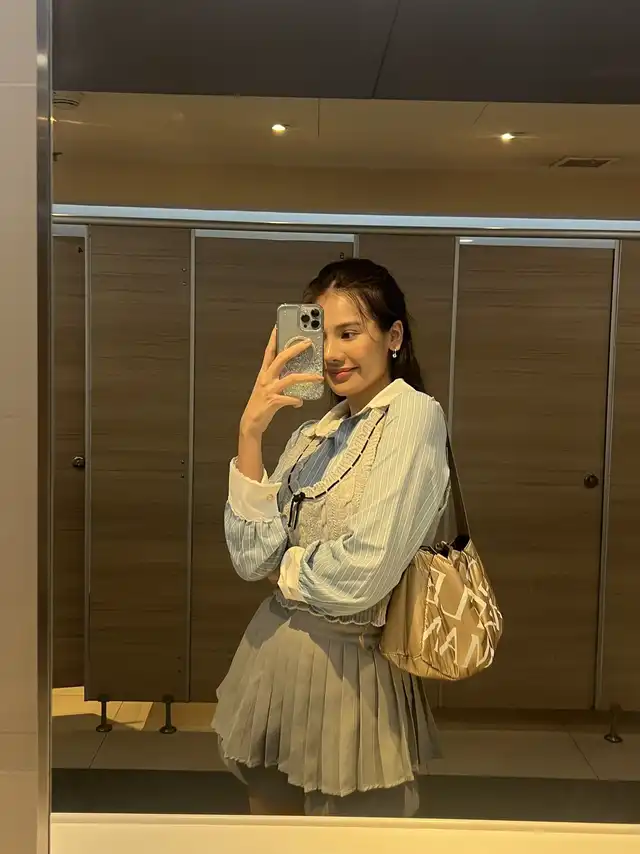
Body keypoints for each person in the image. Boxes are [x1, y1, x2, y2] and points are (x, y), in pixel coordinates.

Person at [213, 258, 451, 817]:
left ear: (394, 336)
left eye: (351, 333)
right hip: (273, 664)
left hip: (352, 674)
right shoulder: (310, 434)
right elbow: (251, 557)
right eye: (324, 334)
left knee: (355, 828)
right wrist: (251, 433)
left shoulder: (413, 416)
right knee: (269, 827)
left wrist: (287, 569)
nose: (333, 354)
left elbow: (363, 573)